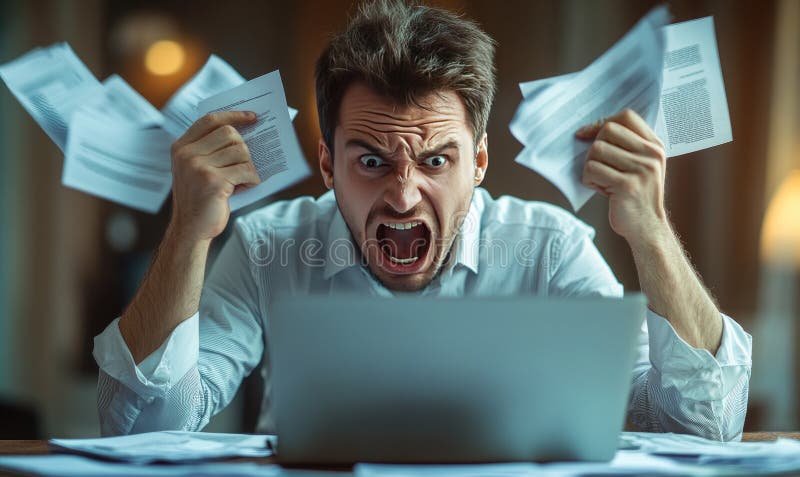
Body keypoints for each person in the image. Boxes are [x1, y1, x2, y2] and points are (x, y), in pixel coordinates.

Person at [93, 0, 751, 440]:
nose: (405, 197)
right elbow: (142, 427)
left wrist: (651, 229)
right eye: (371, 160)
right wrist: (188, 230)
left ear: (480, 161)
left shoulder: (552, 249)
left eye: (436, 159)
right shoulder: (270, 246)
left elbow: (701, 427)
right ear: (327, 163)